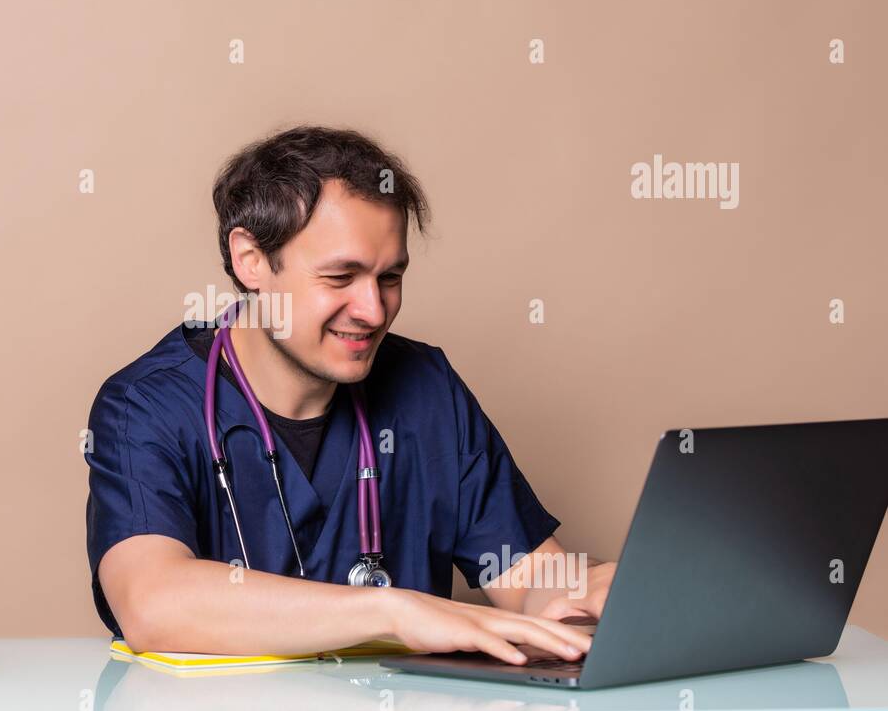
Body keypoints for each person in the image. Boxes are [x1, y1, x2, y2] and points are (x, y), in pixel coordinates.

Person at [84, 125, 613, 662]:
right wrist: (392, 612)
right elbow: (152, 603)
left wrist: (585, 592)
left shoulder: (426, 390)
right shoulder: (145, 407)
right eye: (341, 277)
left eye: (390, 278)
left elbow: (525, 576)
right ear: (251, 260)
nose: (374, 311)